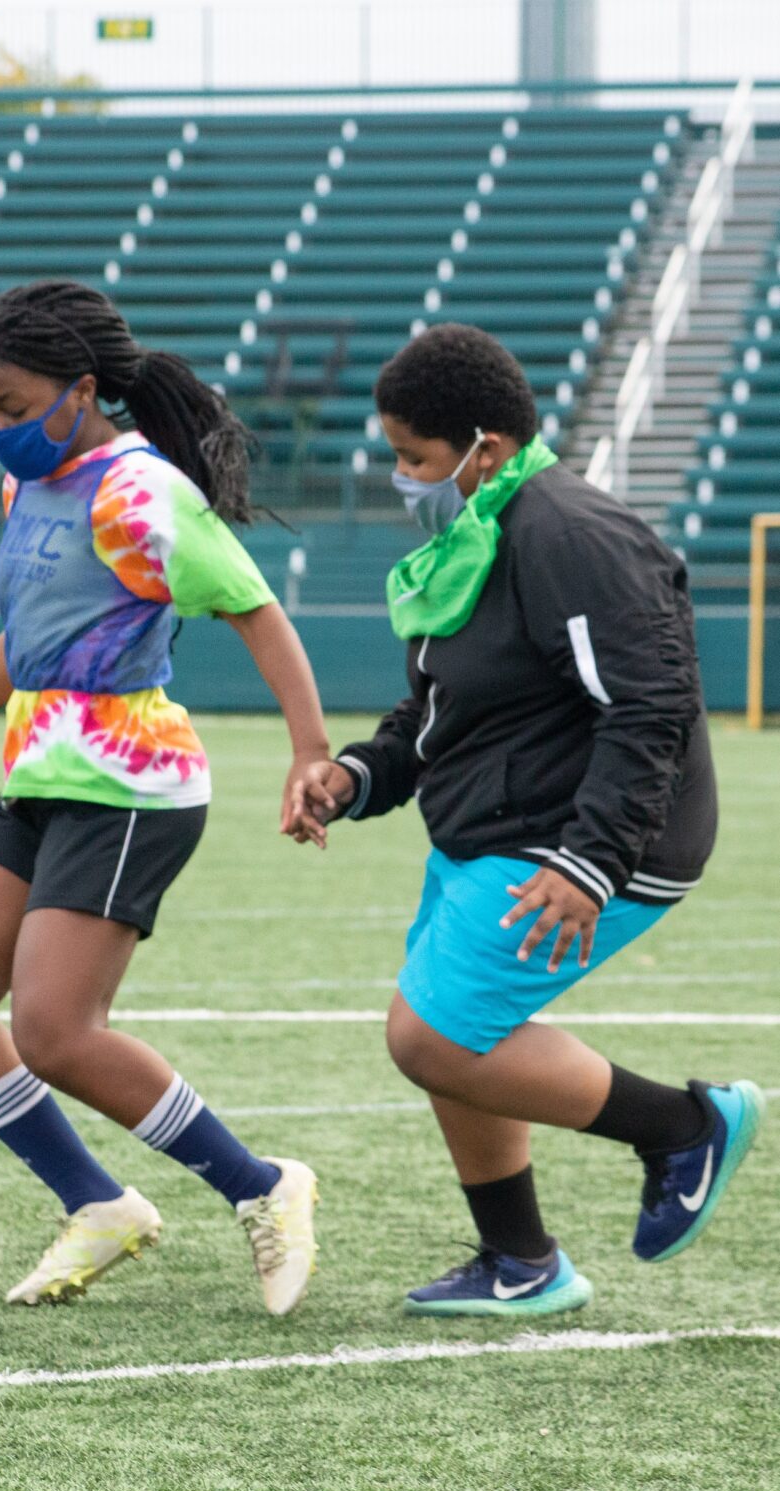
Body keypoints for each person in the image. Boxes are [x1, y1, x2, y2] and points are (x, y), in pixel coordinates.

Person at [0, 280, 328, 1315]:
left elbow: (256, 610)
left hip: (130, 786)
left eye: (11, 406)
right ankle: (97, 1204)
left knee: (56, 1030)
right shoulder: (34, 489)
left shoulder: (141, 492)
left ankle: (263, 1188)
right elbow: (27, 645)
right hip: (40, 777)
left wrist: (309, 754)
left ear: (82, 390)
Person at [290, 322, 763, 1317]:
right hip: (497, 827)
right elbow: (435, 715)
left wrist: (588, 861)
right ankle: (520, 1261)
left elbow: (651, 706)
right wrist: (354, 776)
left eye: (411, 459)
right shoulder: (471, 537)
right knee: (453, 1021)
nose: (398, 478)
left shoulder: (566, 532)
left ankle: (682, 1129)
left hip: (598, 840)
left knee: (431, 1036)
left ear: (484, 451)